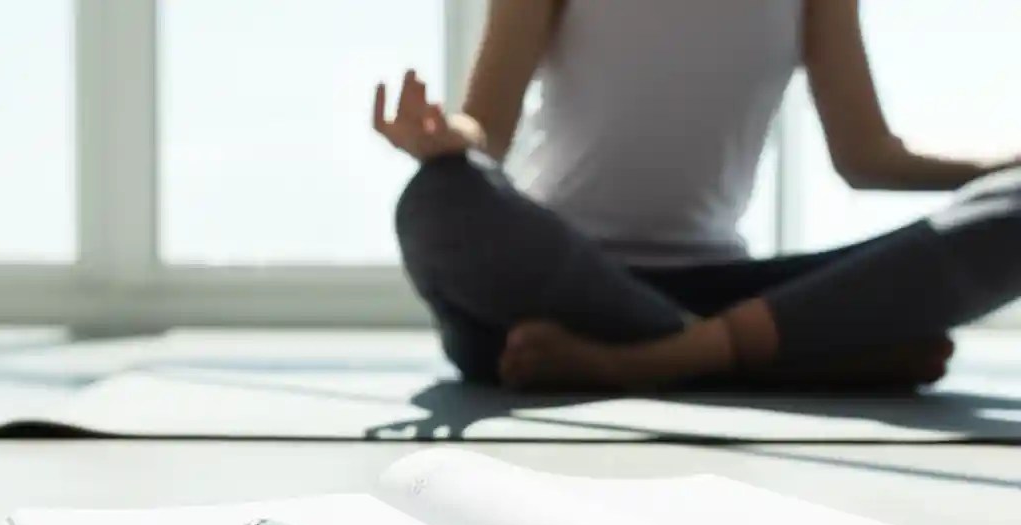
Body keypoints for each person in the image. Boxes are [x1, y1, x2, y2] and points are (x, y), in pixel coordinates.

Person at [374, 0, 1021, 392]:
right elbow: (485, 132)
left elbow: (866, 156)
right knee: (439, 200)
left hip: (724, 293)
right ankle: (776, 356)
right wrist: (446, 138)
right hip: (566, 281)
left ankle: (655, 360)